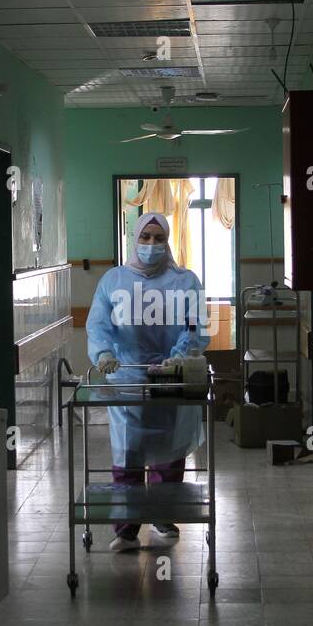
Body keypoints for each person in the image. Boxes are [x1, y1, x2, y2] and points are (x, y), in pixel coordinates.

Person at [86, 212, 209, 551]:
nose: (151, 245)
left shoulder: (185, 281)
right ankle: (126, 529)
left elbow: (195, 325)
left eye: (159, 238)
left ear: (167, 242)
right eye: (145, 237)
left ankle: (163, 517)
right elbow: (98, 325)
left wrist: (181, 355)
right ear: (134, 240)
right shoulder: (114, 281)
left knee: (168, 453)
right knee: (128, 453)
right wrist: (103, 354)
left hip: (170, 380)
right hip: (126, 378)